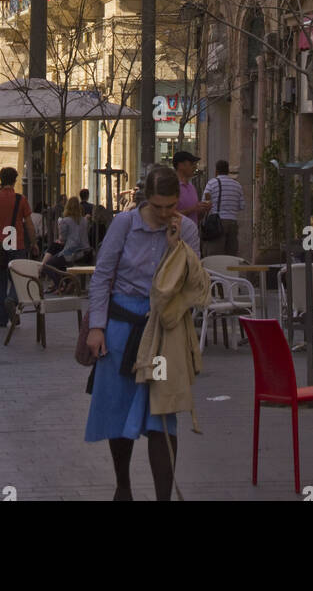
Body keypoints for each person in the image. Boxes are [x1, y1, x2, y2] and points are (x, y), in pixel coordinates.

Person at [85, 162, 209, 501]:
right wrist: (97, 327)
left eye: (171, 206)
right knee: (119, 406)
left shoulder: (184, 230)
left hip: (163, 333)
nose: (165, 213)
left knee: (162, 411)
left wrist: (175, 247)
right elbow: (102, 276)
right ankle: (122, 485)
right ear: (146, 200)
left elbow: (194, 283)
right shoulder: (125, 225)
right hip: (122, 329)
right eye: (158, 207)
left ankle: (163, 497)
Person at [0, 166, 36, 328]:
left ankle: (1, 318)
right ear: (15, 181)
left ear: (1, 179)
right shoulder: (21, 200)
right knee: (18, 277)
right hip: (16, 243)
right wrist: (34, 243)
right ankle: (12, 299)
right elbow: (29, 224)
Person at [41, 197, 92, 292]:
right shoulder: (84, 220)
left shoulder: (65, 221)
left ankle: (59, 284)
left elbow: (62, 239)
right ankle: (69, 281)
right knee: (58, 261)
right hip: (85, 252)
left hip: (71, 252)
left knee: (48, 264)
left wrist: (60, 239)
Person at [201, 160, 245, 257]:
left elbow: (205, 202)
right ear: (228, 170)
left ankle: (216, 272)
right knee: (231, 254)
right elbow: (241, 206)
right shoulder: (237, 185)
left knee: (215, 254)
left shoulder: (212, 183)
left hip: (217, 222)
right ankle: (229, 272)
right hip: (233, 222)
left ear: (216, 171)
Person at [172, 151, 209, 230]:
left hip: (192, 235)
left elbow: (196, 217)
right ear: (181, 166)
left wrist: (203, 210)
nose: (195, 167)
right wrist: (192, 209)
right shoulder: (172, 187)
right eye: (192, 164)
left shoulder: (191, 187)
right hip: (177, 236)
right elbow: (168, 216)